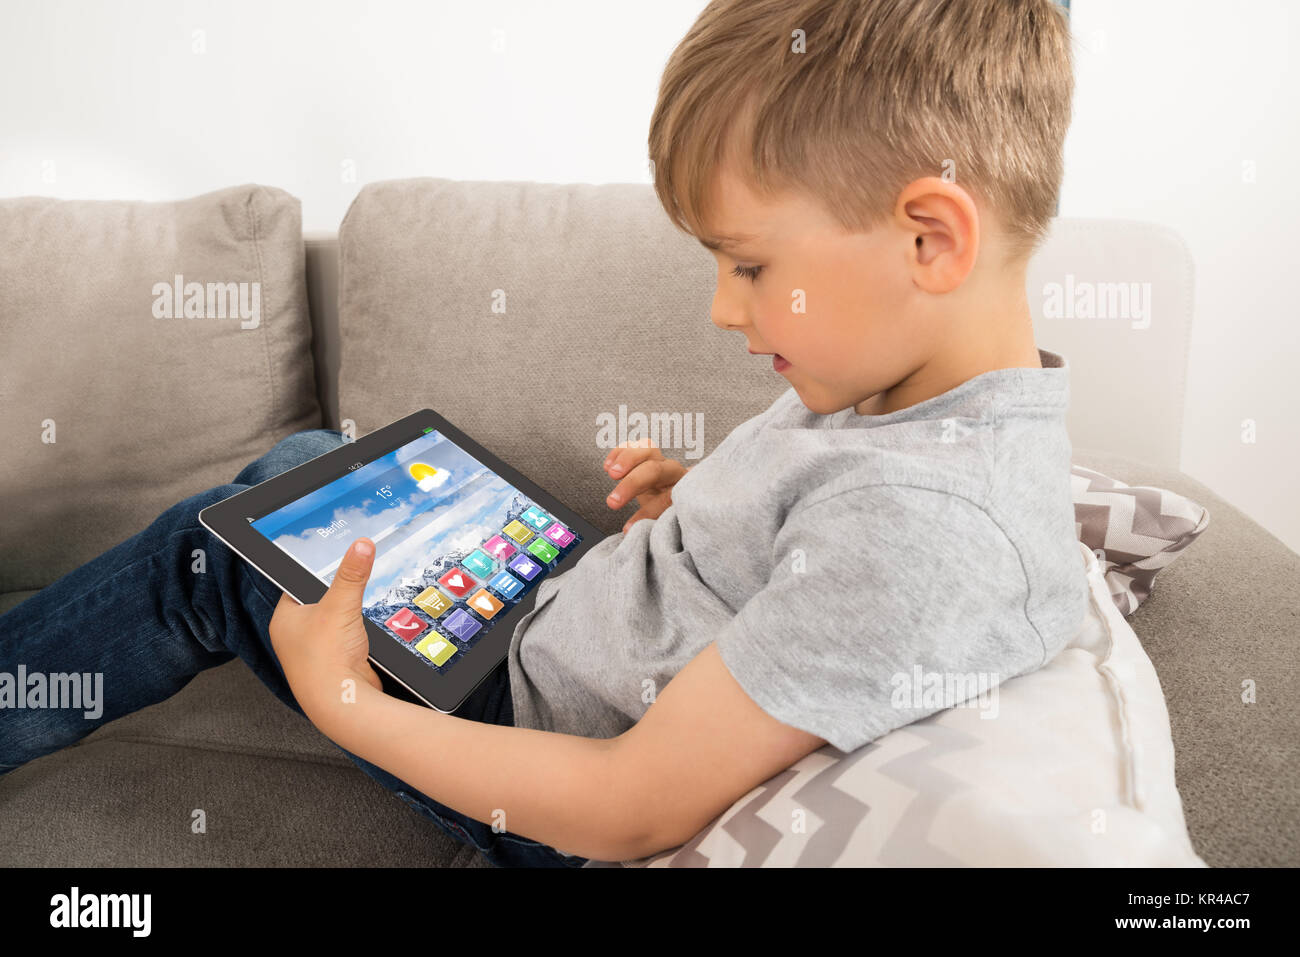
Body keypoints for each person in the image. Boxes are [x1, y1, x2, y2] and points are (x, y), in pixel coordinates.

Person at [0, 0, 1087, 867]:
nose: (723, 307)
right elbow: (822, 532)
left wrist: (345, 704)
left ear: (931, 240)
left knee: (218, 546)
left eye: (748, 265)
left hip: (536, 731)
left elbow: (629, 809)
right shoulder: (897, 396)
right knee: (299, 478)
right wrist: (707, 500)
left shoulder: (930, 528)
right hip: (563, 613)